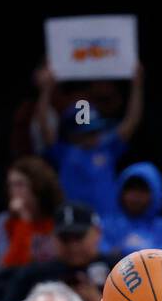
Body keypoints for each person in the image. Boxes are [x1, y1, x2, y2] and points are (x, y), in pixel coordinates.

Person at [36, 63, 144, 214]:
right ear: (72, 134)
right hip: (74, 222)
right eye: (86, 132)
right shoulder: (63, 152)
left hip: (106, 223)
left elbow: (132, 121)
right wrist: (45, 90)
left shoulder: (107, 147)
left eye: (95, 130)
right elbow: (44, 125)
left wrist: (136, 86)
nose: (93, 136)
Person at [0, 201, 109, 301]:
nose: (72, 245)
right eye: (64, 238)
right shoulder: (35, 272)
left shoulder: (118, 269)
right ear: (52, 236)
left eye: (79, 237)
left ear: (97, 233)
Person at [100, 162, 162, 259]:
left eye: (142, 190)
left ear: (156, 193)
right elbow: (96, 251)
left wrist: (124, 253)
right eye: (131, 189)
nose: (135, 196)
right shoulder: (106, 225)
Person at [0, 156, 63, 269]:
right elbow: (8, 267)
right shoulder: (4, 221)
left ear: (39, 186)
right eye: (10, 185)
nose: (13, 191)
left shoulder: (58, 219)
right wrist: (24, 222)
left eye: (19, 184)